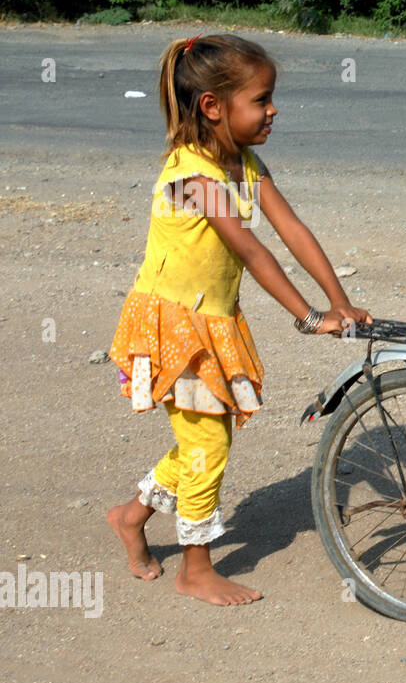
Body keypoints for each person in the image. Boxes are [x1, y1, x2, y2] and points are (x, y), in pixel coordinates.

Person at [106, 33, 372, 606]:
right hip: (174, 323)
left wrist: (339, 299)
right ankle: (195, 568)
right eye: (262, 98)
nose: (273, 109)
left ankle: (131, 517)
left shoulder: (244, 161)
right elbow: (252, 250)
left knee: (206, 435)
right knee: (207, 443)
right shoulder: (194, 176)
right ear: (213, 106)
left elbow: (292, 228)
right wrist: (308, 319)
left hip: (212, 320)